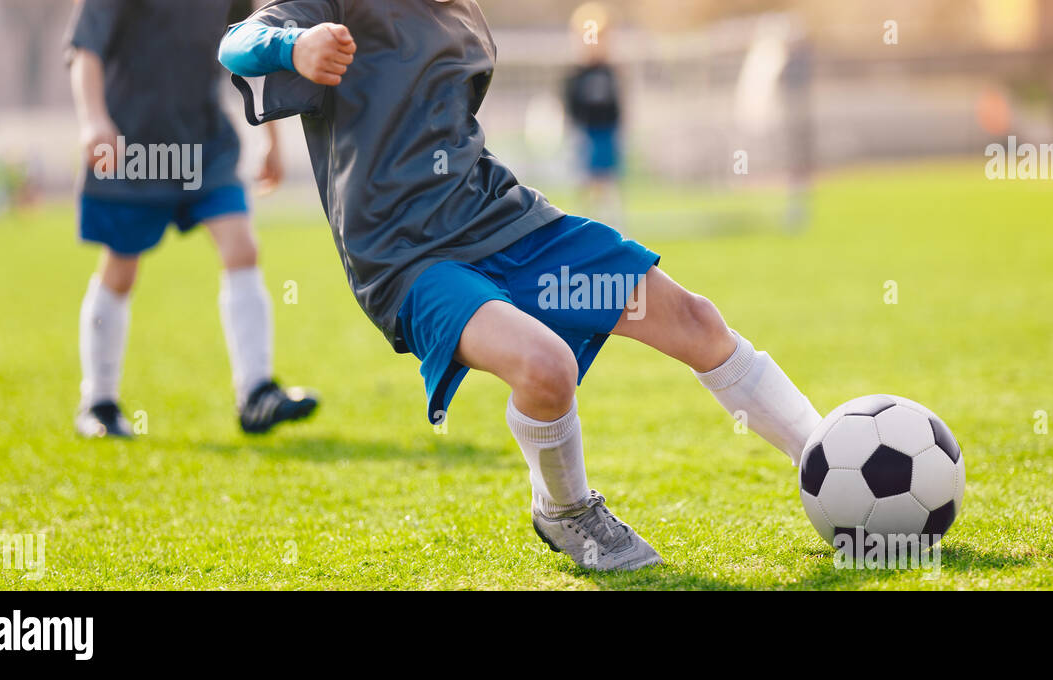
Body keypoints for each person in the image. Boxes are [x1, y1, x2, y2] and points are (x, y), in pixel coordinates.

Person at [219, 0, 821, 571]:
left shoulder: (466, 19)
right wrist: (295, 45)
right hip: (407, 260)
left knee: (695, 321)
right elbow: (237, 43)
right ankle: (565, 510)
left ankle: (825, 455)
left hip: (503, 219)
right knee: (547, 370)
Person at [66, 0, 319, 438]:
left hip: (205, 145)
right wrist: (92, 121)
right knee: (121, 270)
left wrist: (272, 136)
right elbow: (84, 51)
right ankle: (100, 403)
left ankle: (256, 392)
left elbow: (251, 46)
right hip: (134, 148)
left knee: (242, 247)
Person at [563, 15, 625, 227]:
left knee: (606, 182)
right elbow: (570, 106)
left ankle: (613, 225)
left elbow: (617, 106)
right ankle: (581, 226)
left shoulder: (610, 73)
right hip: (584, 133)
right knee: (584, 182)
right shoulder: (576, 75)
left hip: (606, 133)